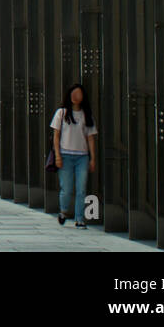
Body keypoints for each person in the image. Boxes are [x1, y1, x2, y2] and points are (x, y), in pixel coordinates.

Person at [52, 84, 98, 227]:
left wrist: (93, 158)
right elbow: (56, 136)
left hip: (82, 157)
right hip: (65, 155)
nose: (76, 96)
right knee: (66, 188)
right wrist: (57, 155)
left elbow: (90, 138)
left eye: (79, 93)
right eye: (73, 93)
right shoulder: (61, 113)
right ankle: (63, 211)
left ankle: (79, 218)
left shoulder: (86, 115)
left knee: (81, 189)